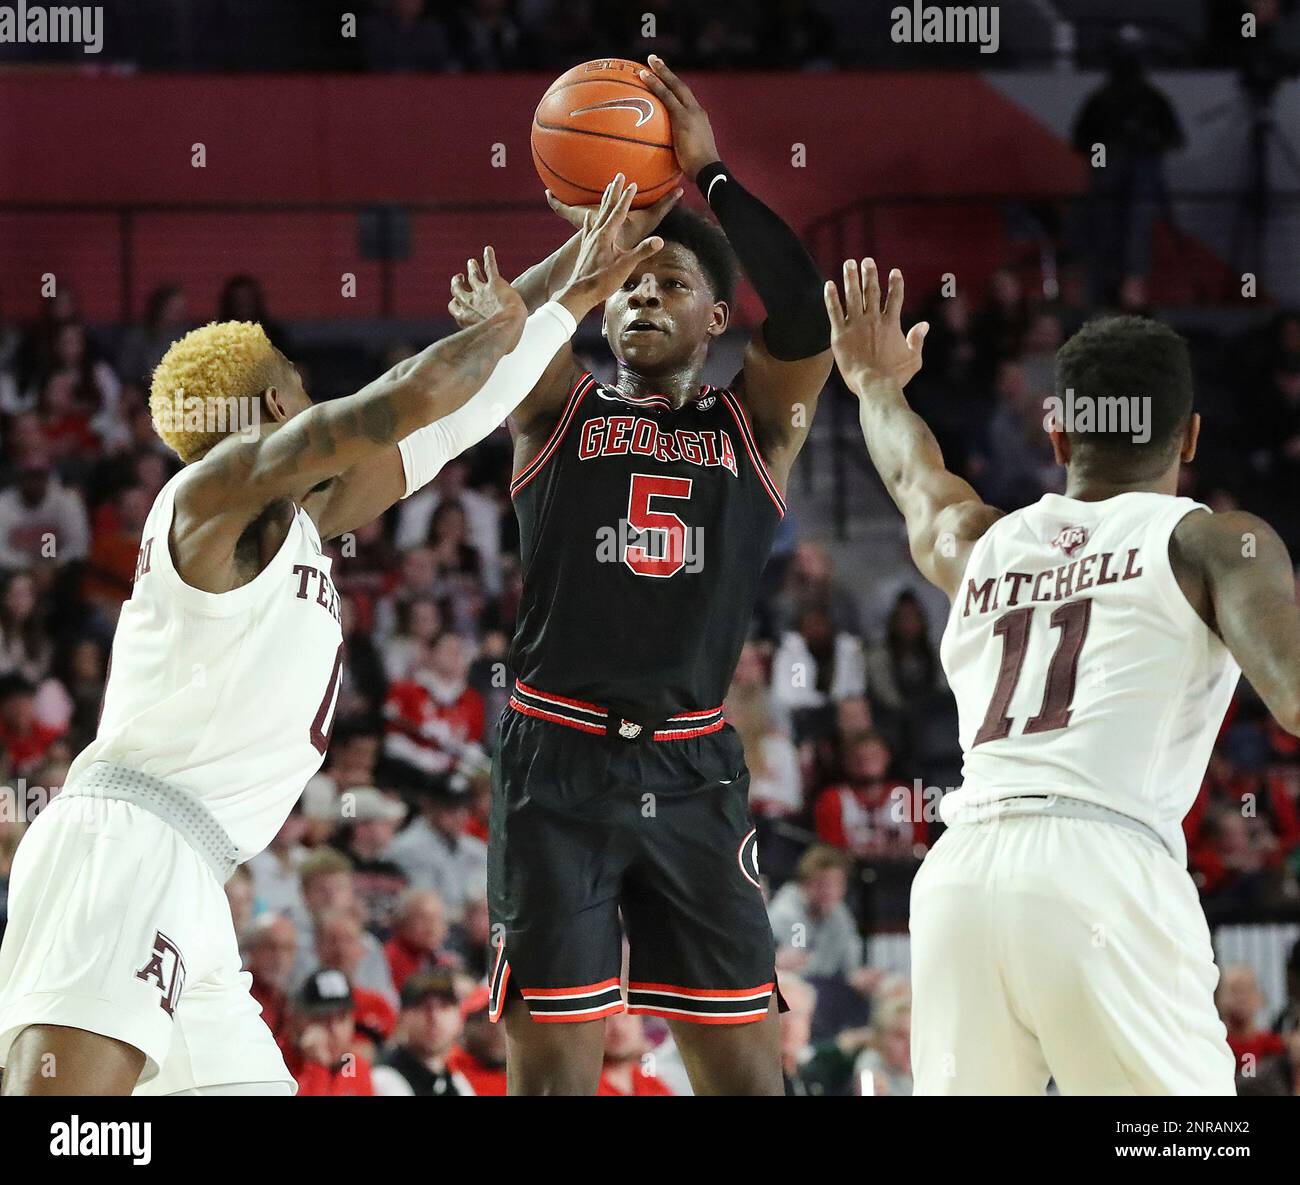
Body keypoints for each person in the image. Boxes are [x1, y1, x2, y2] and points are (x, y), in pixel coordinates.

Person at [0, 182, 663, 1096]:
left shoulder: (302, 513)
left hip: (195, 874)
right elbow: (401, 397)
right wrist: (511, 315)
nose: (315, 396)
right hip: (124, 844)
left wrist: (574, 286)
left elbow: (451, 419)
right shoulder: (205, 503)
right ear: (275, 406)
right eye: (302, 388)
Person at [824, 257, 1300, 1093]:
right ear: (1189, 436)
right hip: (1103, 867)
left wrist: (871, 382)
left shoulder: (977, 539)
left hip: (961, 871)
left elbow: (912, 475)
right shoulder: (1213, 541)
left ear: (1056, 435)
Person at [456, 55, 832, 1095]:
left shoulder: (753, 426)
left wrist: (709, 176)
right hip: (555, 763)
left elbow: (800, 315)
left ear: (717, 320)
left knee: (752, 1079)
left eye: (672, 284)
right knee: (552, 1083)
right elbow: (519, 334)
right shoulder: (558, 409)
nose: (643, 298)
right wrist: (587, 241)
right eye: (627, 287)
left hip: (691, 766)